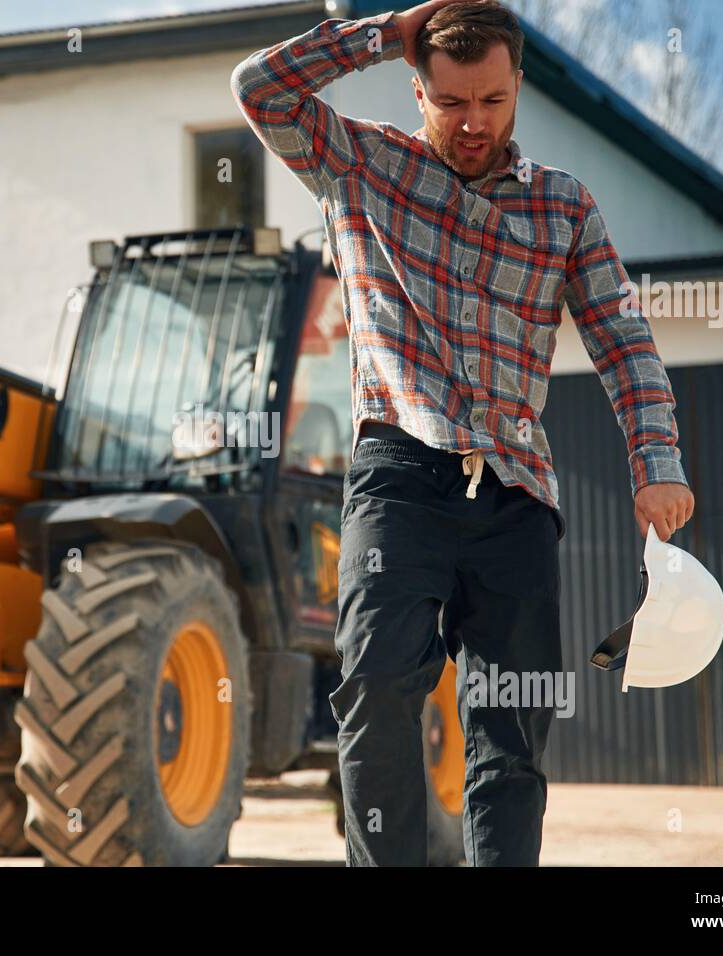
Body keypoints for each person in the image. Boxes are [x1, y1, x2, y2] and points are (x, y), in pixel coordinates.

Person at [231, 0, 695, 866]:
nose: (474, 123)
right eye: (451, 103)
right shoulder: (361, 162)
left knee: (513, 725)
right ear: (418, 89)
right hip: (398, 471)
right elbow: (260, 90)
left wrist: (655, 462)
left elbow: (625, 343)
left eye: (492, 100)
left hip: (516, 493)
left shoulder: (565, 210)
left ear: (517, 85)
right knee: (374, 683)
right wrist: (381, 30)